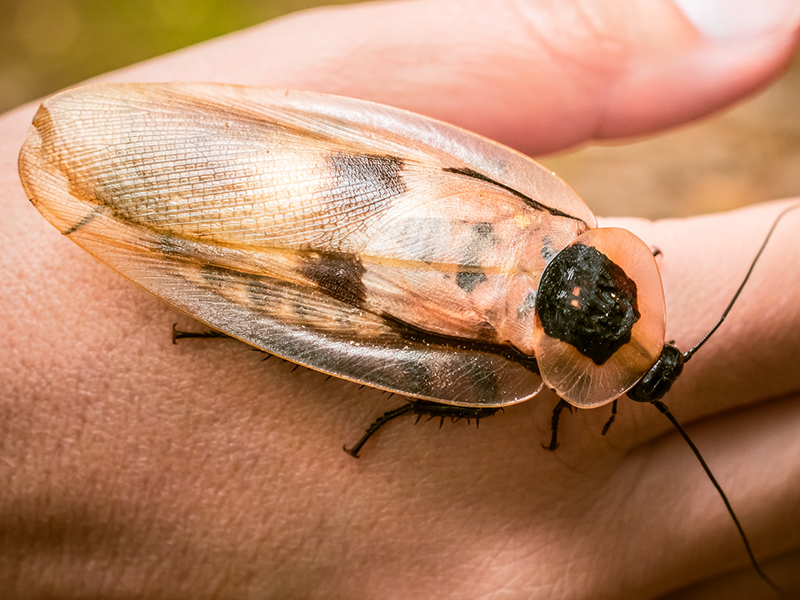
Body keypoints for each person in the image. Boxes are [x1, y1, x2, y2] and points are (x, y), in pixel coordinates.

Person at [1, 0, 799, 597]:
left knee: (311, 275)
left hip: (353, 193)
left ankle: (124, 184)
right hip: (341, 255)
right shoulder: (521, 376)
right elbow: (383, 363)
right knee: (327, 317)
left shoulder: (571, 227)